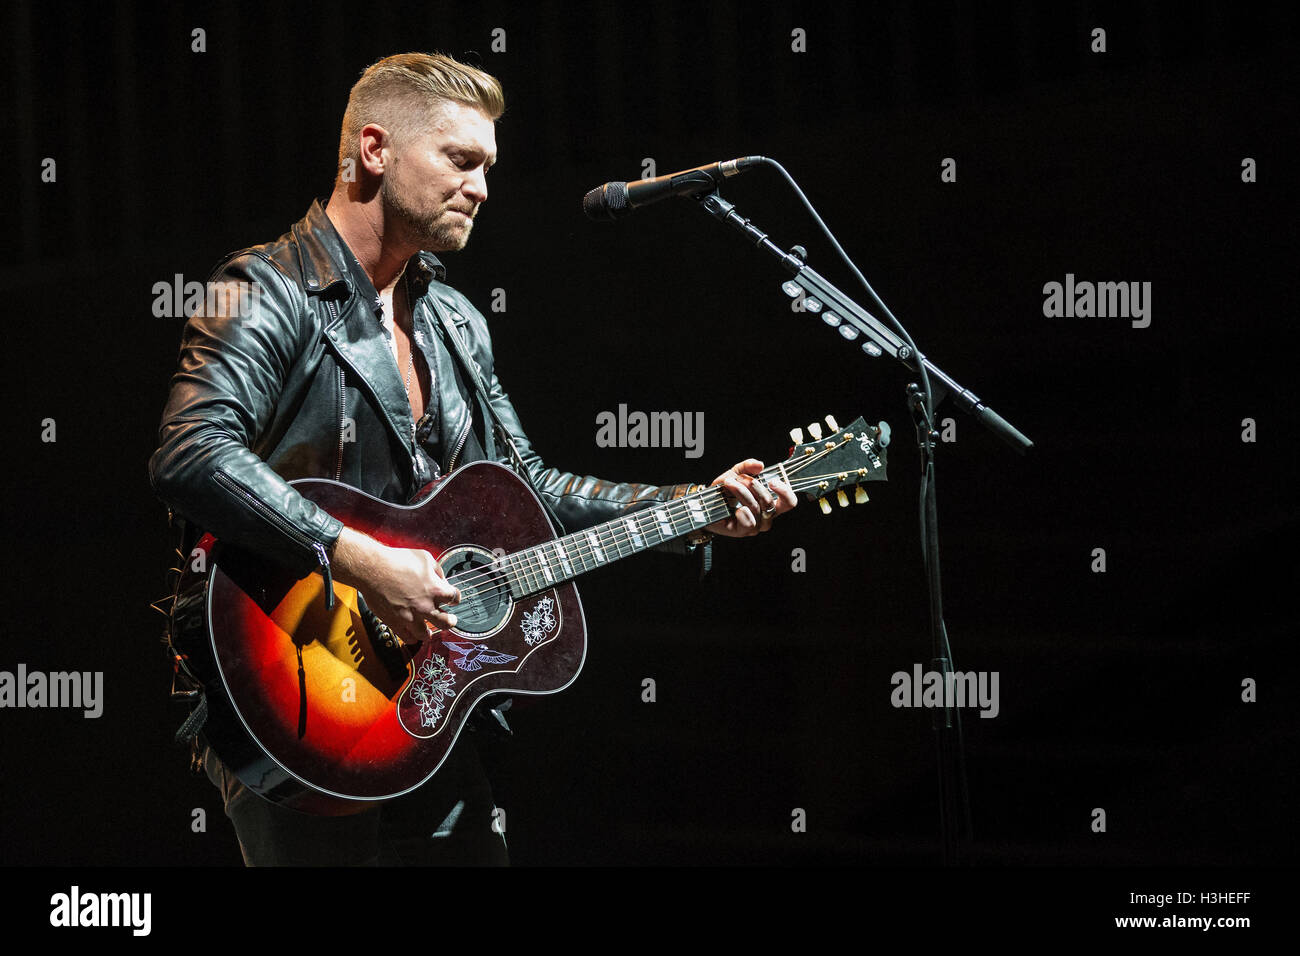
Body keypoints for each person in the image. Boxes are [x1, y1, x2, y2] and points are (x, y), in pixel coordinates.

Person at [149, 52, 796, 866]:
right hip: (301, 687)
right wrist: (364, 562)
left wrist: (695, 505)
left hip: (433, 700)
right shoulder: (264, 289)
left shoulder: (454, 319)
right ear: (375, 150)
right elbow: (191, 452)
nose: (482, 188)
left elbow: (532, 491)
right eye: (460, 160)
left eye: (487, 166)